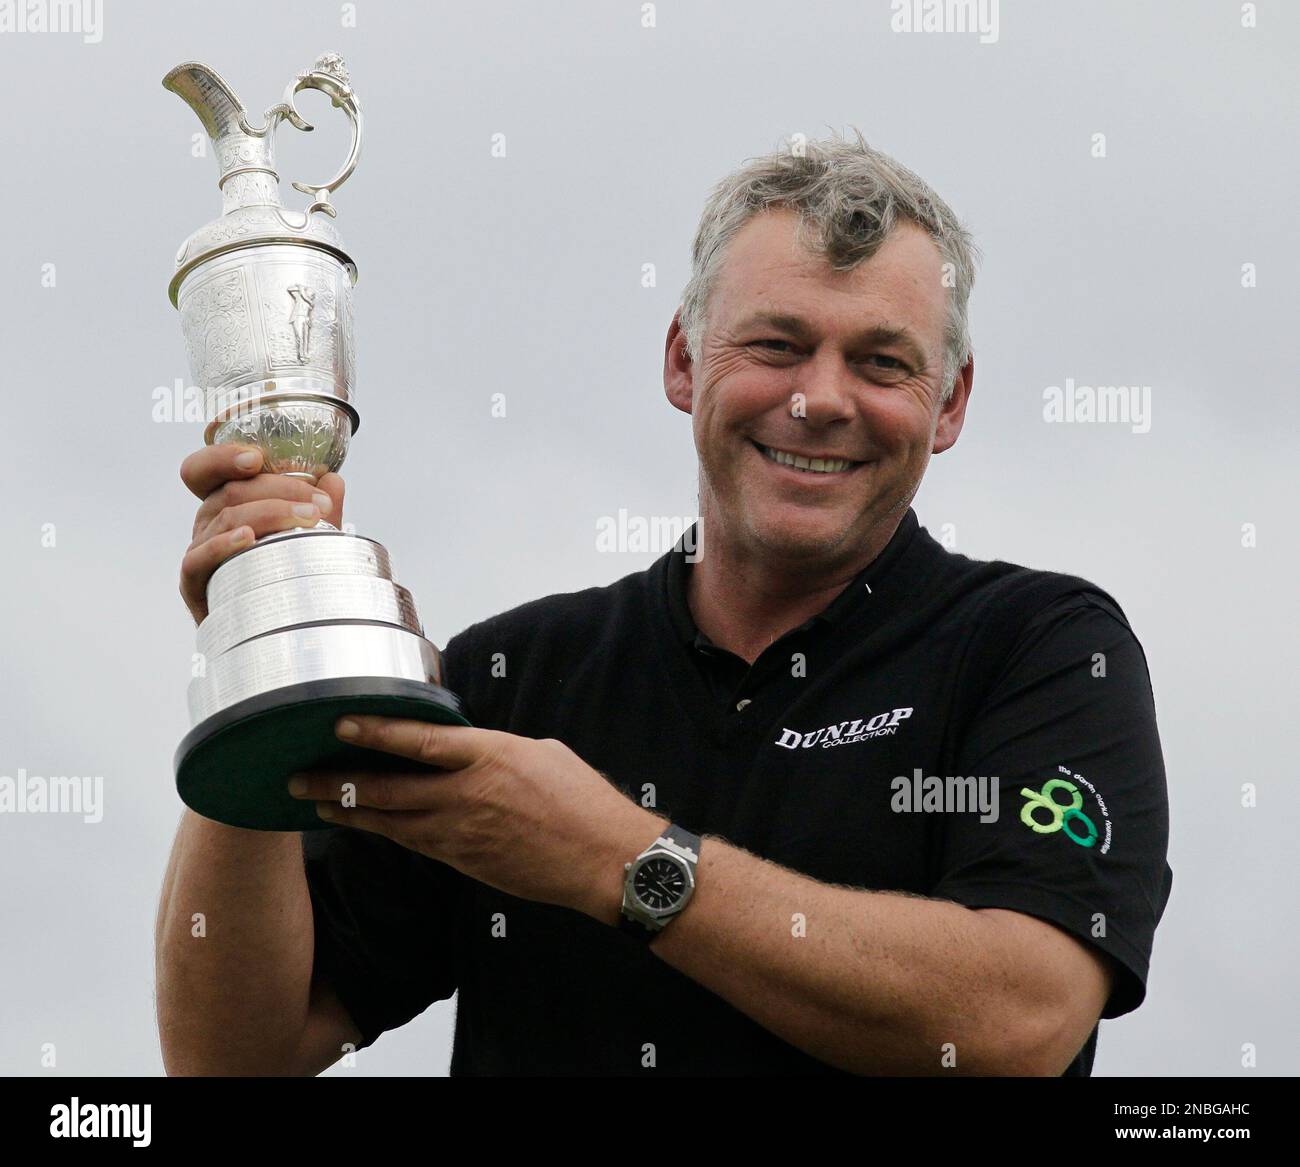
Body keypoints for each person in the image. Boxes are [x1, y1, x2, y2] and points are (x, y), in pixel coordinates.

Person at [156, 131, 1172, 1076]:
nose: (820, 397)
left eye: (881, 361)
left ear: (948, 403)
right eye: (775, 345)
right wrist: (257, 662)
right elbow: (235, 1055)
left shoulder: (1039, 650)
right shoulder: (512, 677)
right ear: (684, 361)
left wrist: (611, 857)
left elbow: (1021, 1018)